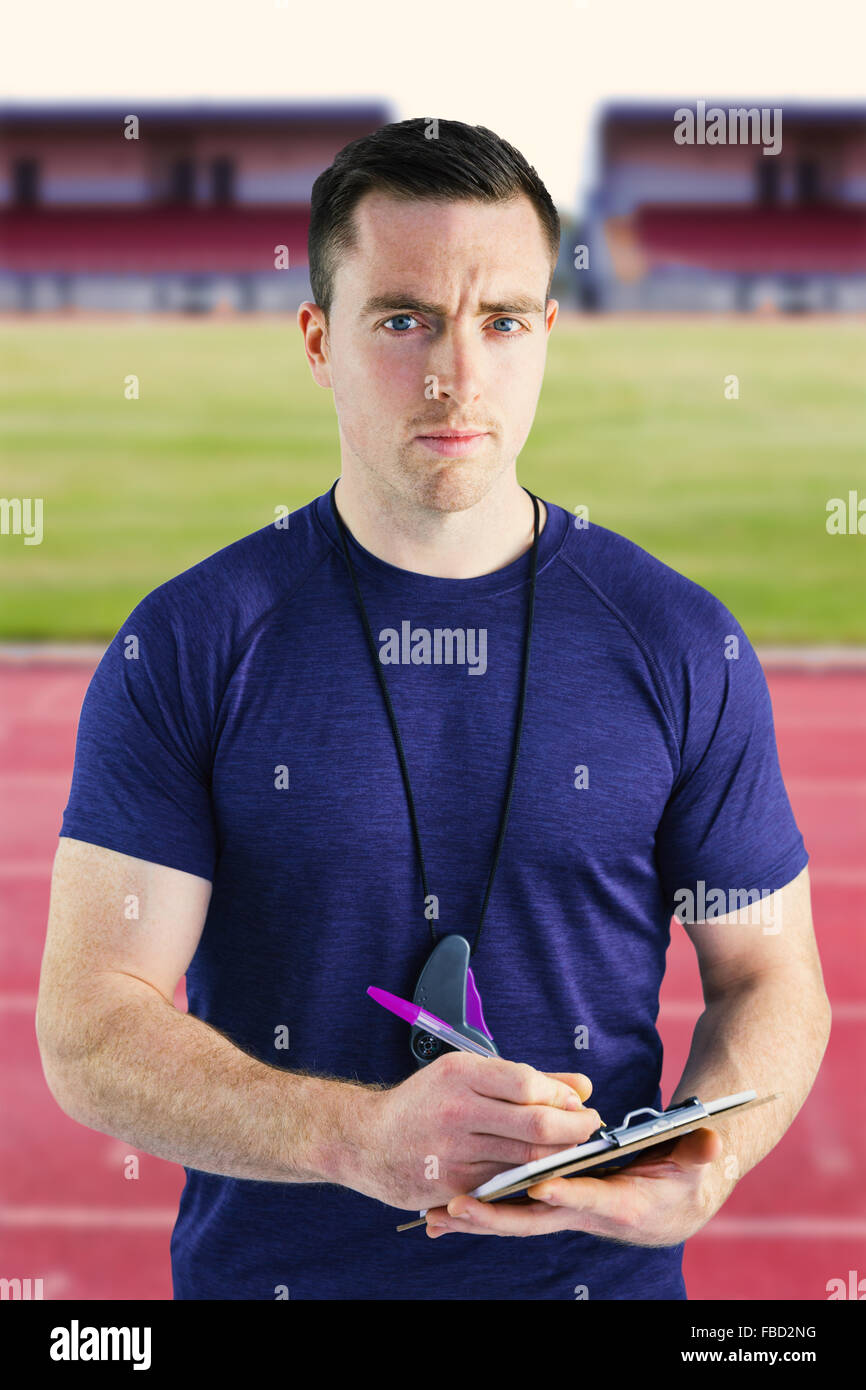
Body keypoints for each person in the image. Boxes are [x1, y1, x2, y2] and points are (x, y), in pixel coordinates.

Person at [36, 117, 830, 1301]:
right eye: (402, 319)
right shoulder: (190, 644)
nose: (455, 372)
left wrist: (704, 1159)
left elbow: (769, 978)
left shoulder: (677, 641)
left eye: (500, 320)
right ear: (316, 339)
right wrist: (350, 1138)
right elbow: (92, 1023)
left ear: (546, 335)